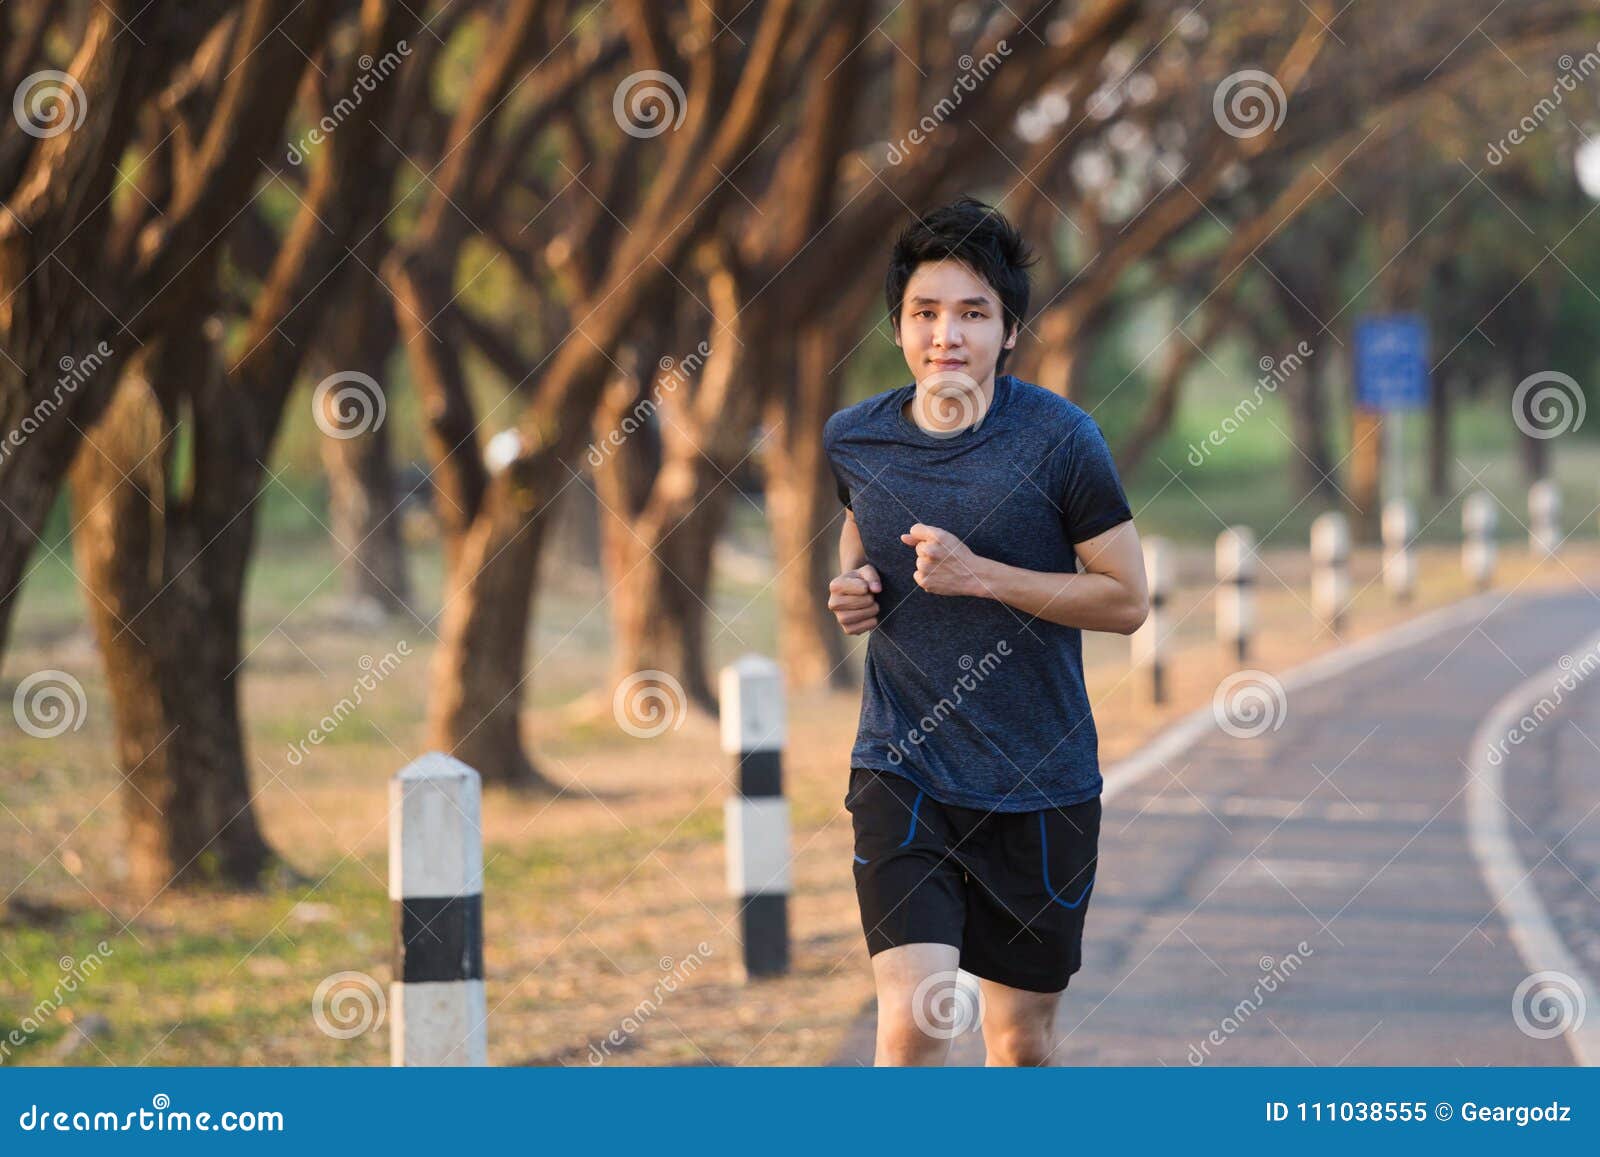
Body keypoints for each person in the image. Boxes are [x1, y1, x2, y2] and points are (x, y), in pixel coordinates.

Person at [822, 196, 1148, 1067]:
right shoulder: (854, 438)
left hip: (1042, 783)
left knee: (1020, 1038)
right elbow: (864, 525)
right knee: (920, 1018)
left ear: (1009, 331)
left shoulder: (1061, 441)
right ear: (898, 325)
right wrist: (855, 585)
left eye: (973, 312)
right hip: (905, 766)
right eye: (925, 312)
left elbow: (1127, 599)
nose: (946, 335)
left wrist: (982, 577)